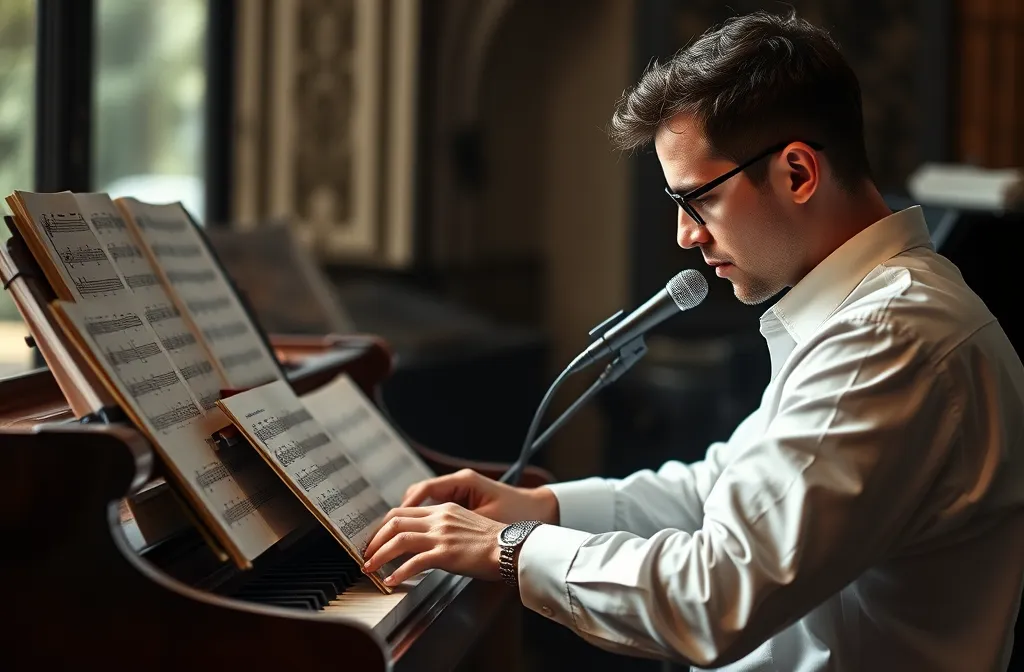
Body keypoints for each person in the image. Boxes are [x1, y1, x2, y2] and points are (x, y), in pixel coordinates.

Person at [362, 10, 1024, 670]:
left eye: (698, 199)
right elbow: (723, 489)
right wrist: (545, 506)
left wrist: (510, 547)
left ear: (797, 173)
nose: (687, 236)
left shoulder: (888, 336)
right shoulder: (862, 315)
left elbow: (715, 595)